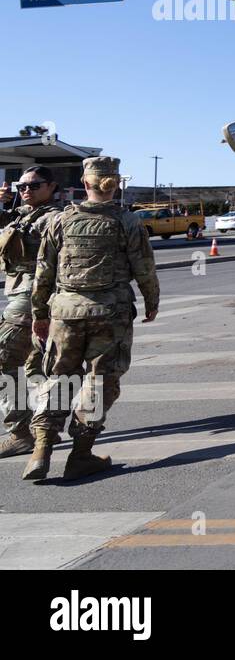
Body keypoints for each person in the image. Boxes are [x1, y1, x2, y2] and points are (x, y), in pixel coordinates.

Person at [23, 157, 160, 481]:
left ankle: (40, 451)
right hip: (110, 315)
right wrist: (151, 300)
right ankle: (81, 455)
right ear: (116, 184)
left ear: (85, 184)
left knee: (58, 379)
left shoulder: (60, 220)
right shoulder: (128, 222)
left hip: (65, 315)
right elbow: (144, 268)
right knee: (99, 383)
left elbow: (44, 272)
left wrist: (40, 314)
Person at [0, 167, 61, 457]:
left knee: (4, 356)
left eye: (34, 185)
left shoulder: (53, 217)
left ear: (51, 186)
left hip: (34, 296)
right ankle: (43, 427)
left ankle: (20, 432)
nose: (26, 190)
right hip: (21, 292)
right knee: (35, 366)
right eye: (21, 185)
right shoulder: (23, 213)